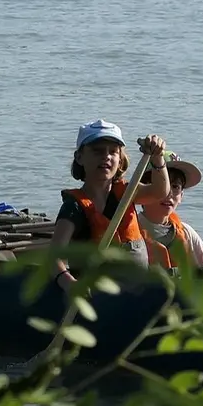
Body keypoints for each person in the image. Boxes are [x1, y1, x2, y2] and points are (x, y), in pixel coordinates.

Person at [48, 121, 170, 293]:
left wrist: (157, 157)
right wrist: (70, 283)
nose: (106, 156)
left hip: (135, 291)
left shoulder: (127, 192)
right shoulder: (73, 207)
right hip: (96, 295)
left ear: (120, 160)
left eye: (113, 152)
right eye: (97, 151)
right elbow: (53, 258)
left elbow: (160, 191)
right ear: (80, 157)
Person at [133, 153, 203, 276]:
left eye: (175, 186)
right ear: (143, 190)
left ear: (181, 195)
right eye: (162, 185)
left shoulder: (186, 233)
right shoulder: (129, 231)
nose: (169, 193)